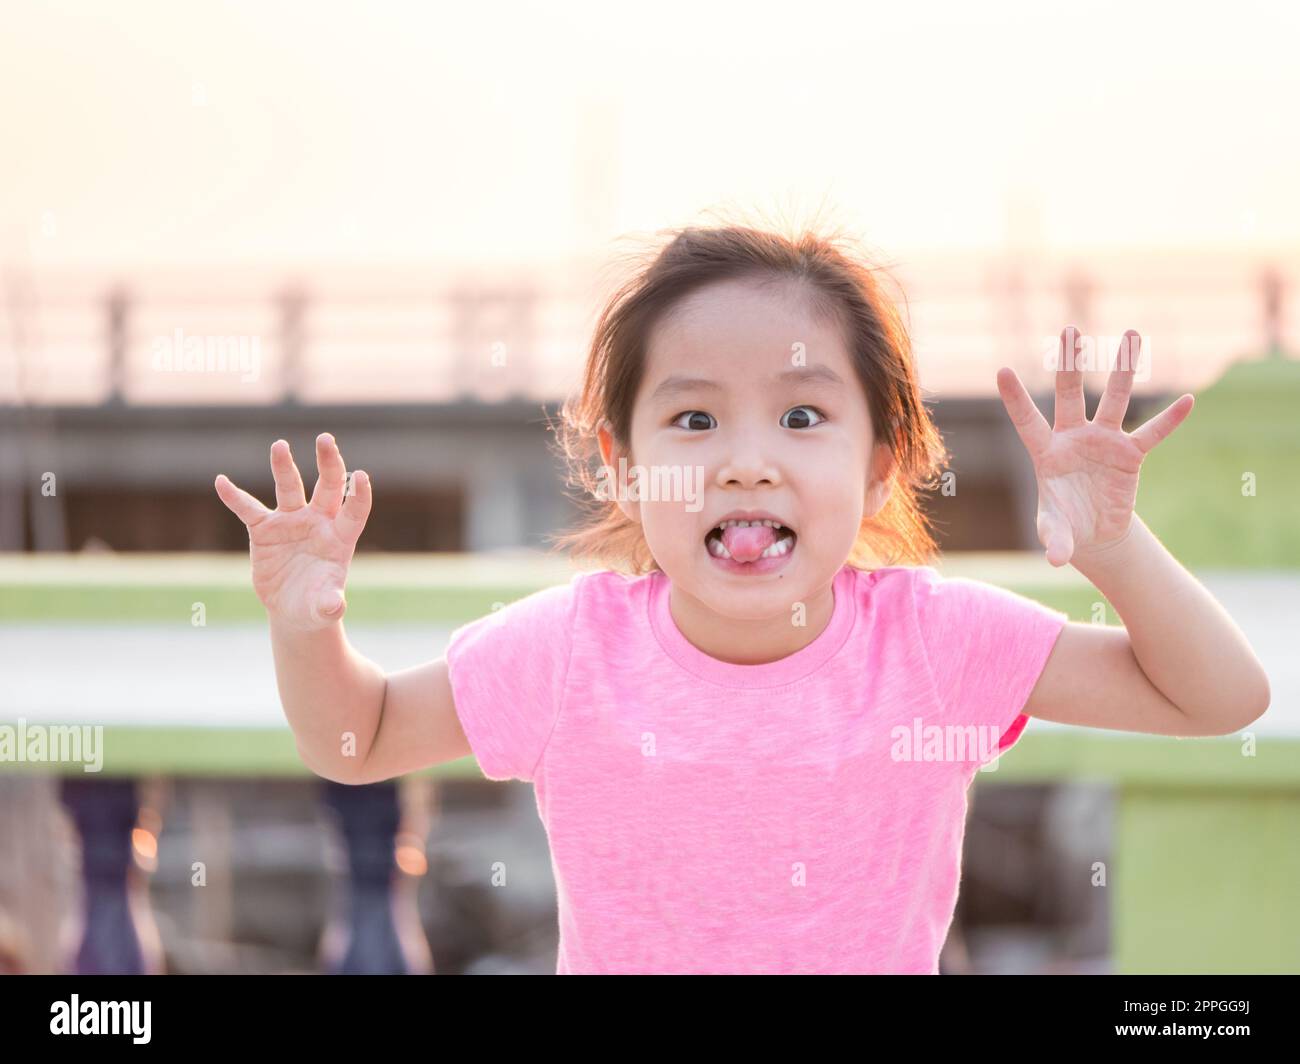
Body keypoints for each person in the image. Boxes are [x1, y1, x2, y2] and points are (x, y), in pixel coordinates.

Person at [214, 223, 1271, 974]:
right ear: (623, 467)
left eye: (802, 416)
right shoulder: (567, 651)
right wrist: (308, 622)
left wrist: (1116, 547)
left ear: (881, 462)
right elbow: (354, 741)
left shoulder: (937, 641)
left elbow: (1218, 696)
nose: (747, 462)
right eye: (693, 420)